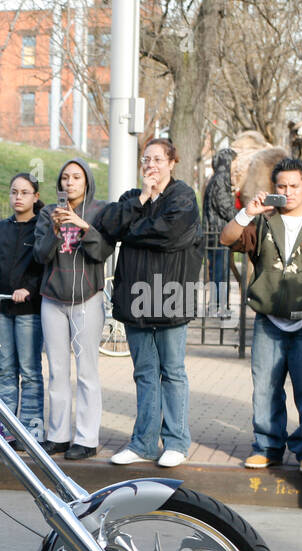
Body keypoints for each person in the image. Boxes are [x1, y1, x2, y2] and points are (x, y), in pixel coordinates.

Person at [220, 156, 302, 473]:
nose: (287, 192)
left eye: (294, 186)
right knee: (265, 387)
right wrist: (248, 211)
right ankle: (267, 446)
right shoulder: (262, 220)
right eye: (281, 186)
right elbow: (227, 239)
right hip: (269, 320)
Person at [97, 138, 202, 468]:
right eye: (146, 159)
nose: (151, 165)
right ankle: (142, 442)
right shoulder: (132, 198)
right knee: (144, 372)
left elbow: (168, 234)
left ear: (173, 162)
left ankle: (176, 441)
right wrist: (142, 198)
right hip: (134, 298)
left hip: (170, 295)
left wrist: (130, 231)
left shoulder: (183, 197)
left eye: (158, 159)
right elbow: (110, 225)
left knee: (172, 372)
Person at [33, 157, 112, 459]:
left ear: (87, 181)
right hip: (53, 299)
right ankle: (58, 436)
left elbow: (102, 252)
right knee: (57, 370)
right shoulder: (47, 214)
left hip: (87, 299)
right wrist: (54, 230)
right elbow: (40, 256)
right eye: (65, 178)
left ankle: (87, 439)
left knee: (87, 372)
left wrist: (83, 226)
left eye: (76, 177)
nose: (70, 183)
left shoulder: (98, 211)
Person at [0, 172, 45, 442]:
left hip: (29, 311)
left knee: (30, 370)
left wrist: (29, 289)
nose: (18, 197)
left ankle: (31, 427)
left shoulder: (42, 228)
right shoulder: (1, 228)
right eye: (14, 192)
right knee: (4, 370)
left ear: (35, 197)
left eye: (24, 192)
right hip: (4, 310)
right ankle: (3, 425)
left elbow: (43, 265)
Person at [202, 147, 236, 319]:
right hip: (219, 233)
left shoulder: (214, 178)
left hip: (212, 232)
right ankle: (220, 308)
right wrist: (240, 218)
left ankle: (215, 306)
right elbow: (224, 206)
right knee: (221, 273)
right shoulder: (222, 179)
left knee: (216, 272)